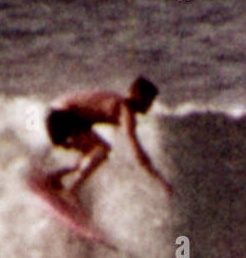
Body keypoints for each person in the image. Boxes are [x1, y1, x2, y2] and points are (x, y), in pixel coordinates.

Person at [42, 76, 172, 199]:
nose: (151, 106)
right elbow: (139, 154)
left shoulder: (117, 101)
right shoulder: (126, 111)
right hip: (61, 117)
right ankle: (71, 191)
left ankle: (54, 177)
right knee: (102, 150)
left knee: (92, 153)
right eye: (150, 101)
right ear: (141, 98)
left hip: (52, 115)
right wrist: (160, 180)